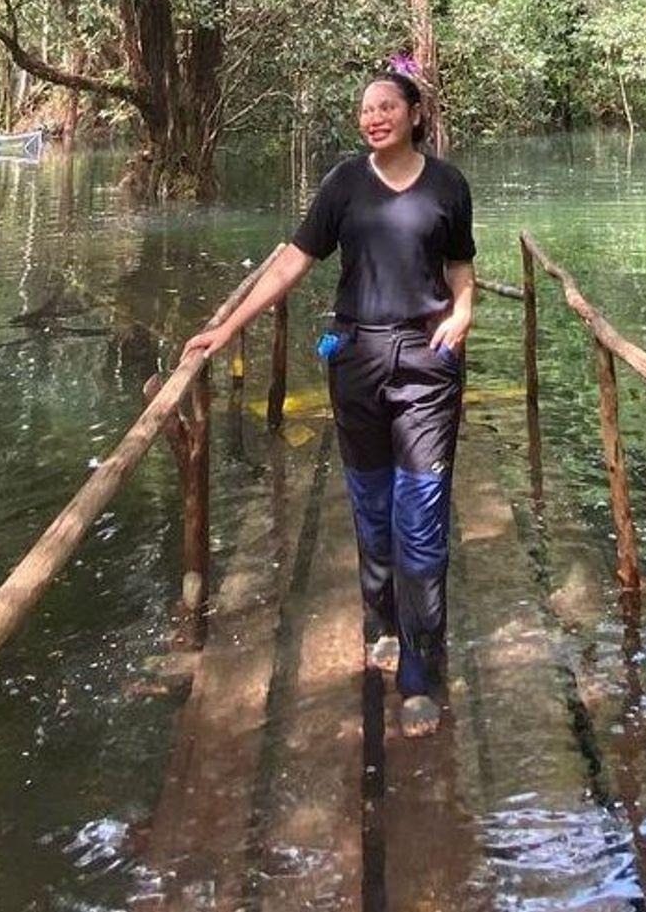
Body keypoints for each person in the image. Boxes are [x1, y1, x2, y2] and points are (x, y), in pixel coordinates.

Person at [182, 69, 475, 738]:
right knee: (373, 506)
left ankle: (420, 671)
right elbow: (292, 261)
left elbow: (460, 262)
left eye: (386, 107)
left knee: (422, 514)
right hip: (358, 358)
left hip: (428, 361)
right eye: (365, 109)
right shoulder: (344, 182)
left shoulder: (448, 184)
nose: (373, 117)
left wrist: (465, 308)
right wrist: (229, 326)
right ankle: (379, 615)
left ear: (413, 113)